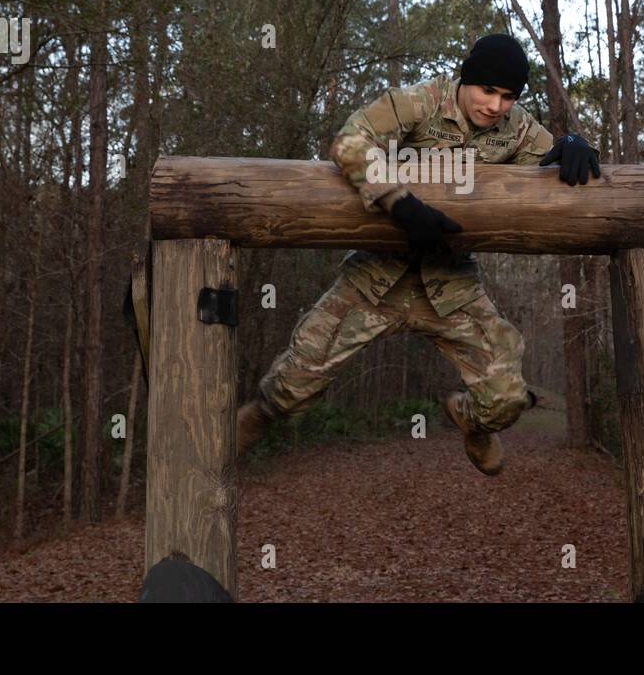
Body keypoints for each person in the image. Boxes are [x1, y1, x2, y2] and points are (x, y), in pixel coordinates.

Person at [237, 33, 600, 475]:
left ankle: (471, 422)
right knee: (291, 386)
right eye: (487, 90)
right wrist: (403, 206)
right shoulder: (419, 102)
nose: (495, 105)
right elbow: (349, 141)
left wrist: (574, 143)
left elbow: (554, 157)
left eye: (508, 96)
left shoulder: (517, 127)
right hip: (375, 277)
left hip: (451, 286)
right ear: (466, 80)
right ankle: (260, 415)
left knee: (506, 398)